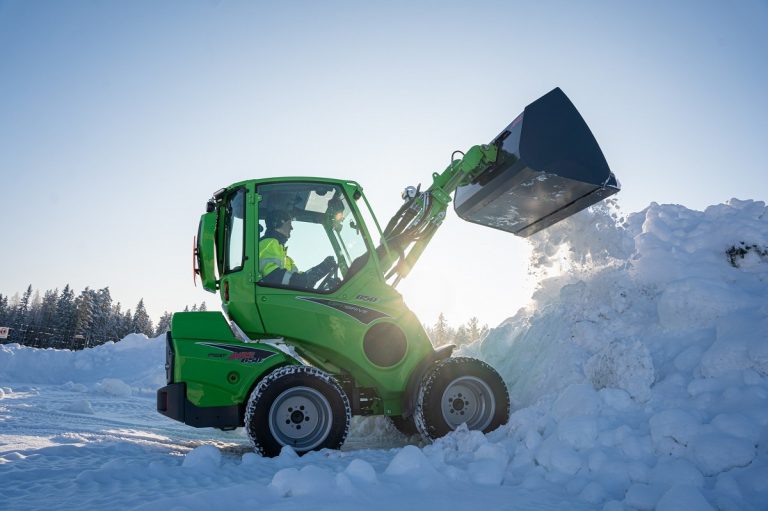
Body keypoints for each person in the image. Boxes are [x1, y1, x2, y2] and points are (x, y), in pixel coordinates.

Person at [259, 210, 335, 288]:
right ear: (280, 222)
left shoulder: (285, 257)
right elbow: (273, 277)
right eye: (289, 224)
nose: (292, 228)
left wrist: (320, 269)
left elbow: (298, 278)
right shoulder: (268, 243)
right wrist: (312, 275)